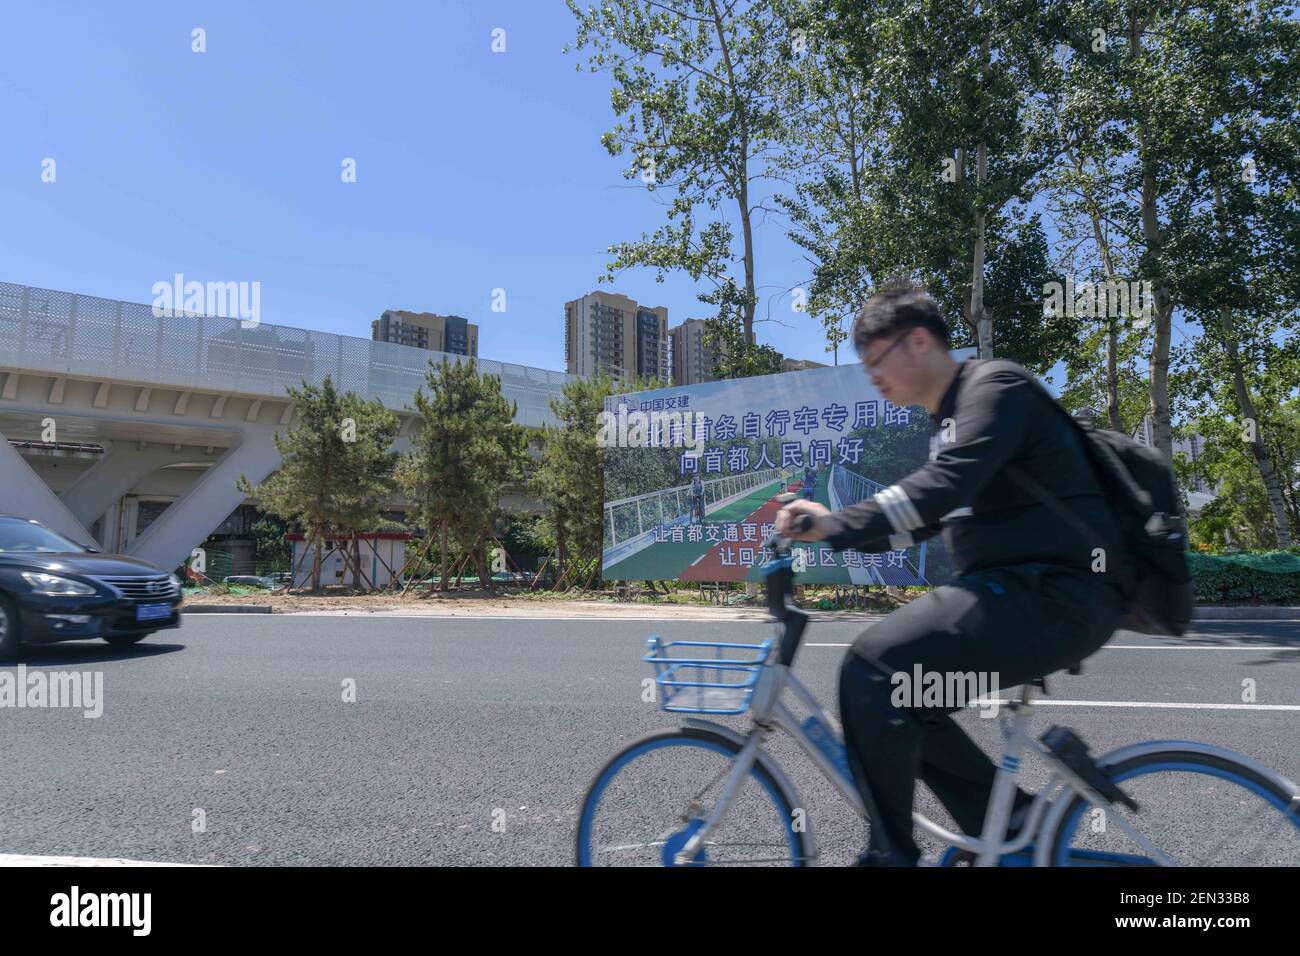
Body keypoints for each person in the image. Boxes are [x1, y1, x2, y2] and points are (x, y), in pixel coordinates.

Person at [774, 283, 1129, 866]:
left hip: (1058, 594)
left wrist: (837, 525)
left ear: (918, 341)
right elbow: (920, 523)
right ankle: (1012, 822)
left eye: (875, 361)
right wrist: (829, 527)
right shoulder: (951, 419)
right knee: (908, 693)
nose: (872, 377)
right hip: (1029, 594)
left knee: (872, 667)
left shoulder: (994, 388)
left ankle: (889, 857)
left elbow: (938, 492)